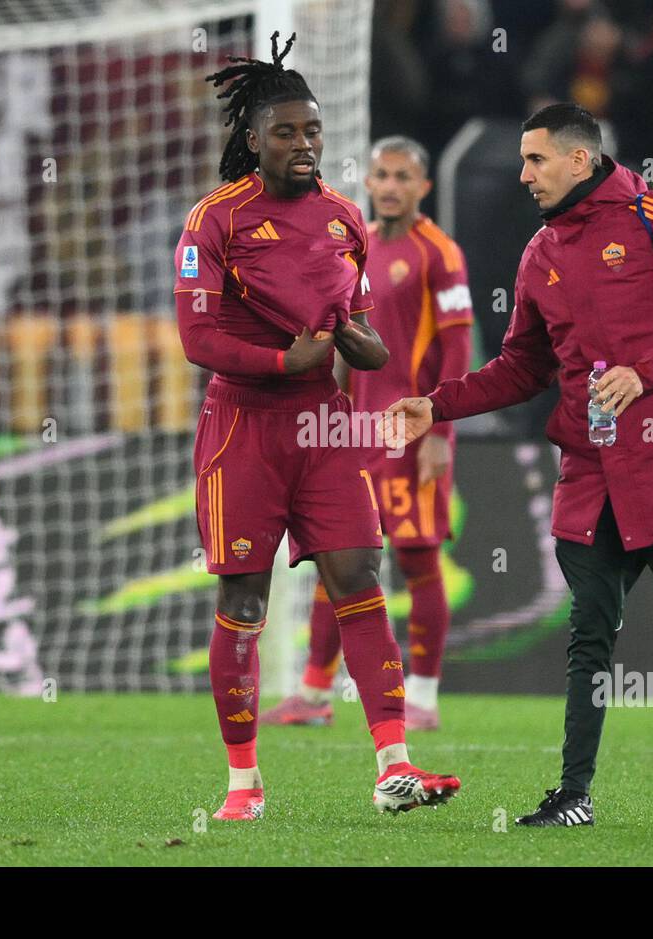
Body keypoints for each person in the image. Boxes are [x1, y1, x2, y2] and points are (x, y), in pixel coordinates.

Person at [381, 103, 653, 830]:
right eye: (524, 160)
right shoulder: (541, 253)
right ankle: (574, 796)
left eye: (536, 160)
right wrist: (435, 406)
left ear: (579, 159)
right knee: (589, 637)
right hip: (592, 472)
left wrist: (642, 373)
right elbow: (521, 368)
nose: (524, 173)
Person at [173, 34, 461, 820]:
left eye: (313, 132)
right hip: (242, 429)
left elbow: (359, 327)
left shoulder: (343, 221)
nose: (306, 146)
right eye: (288, 133)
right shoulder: (214, 221)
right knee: (242, 598)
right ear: (253, 138)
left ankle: (394, 765)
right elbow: (196, 341)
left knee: (360, 581)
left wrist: (366, 347)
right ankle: (243, 783)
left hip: (325, 431)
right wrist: (280, 361)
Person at [261, 136, 473, 732]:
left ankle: (425, 697)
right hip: (359, 434)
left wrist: (441, 429)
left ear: (423, 187)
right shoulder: (357, 249)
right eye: (381, 175)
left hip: (415, 430)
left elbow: (457, 346)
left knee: (417, 556)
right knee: (341, 556)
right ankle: (313, 693)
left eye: (403, 176)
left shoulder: (441, 254)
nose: (390, 186)